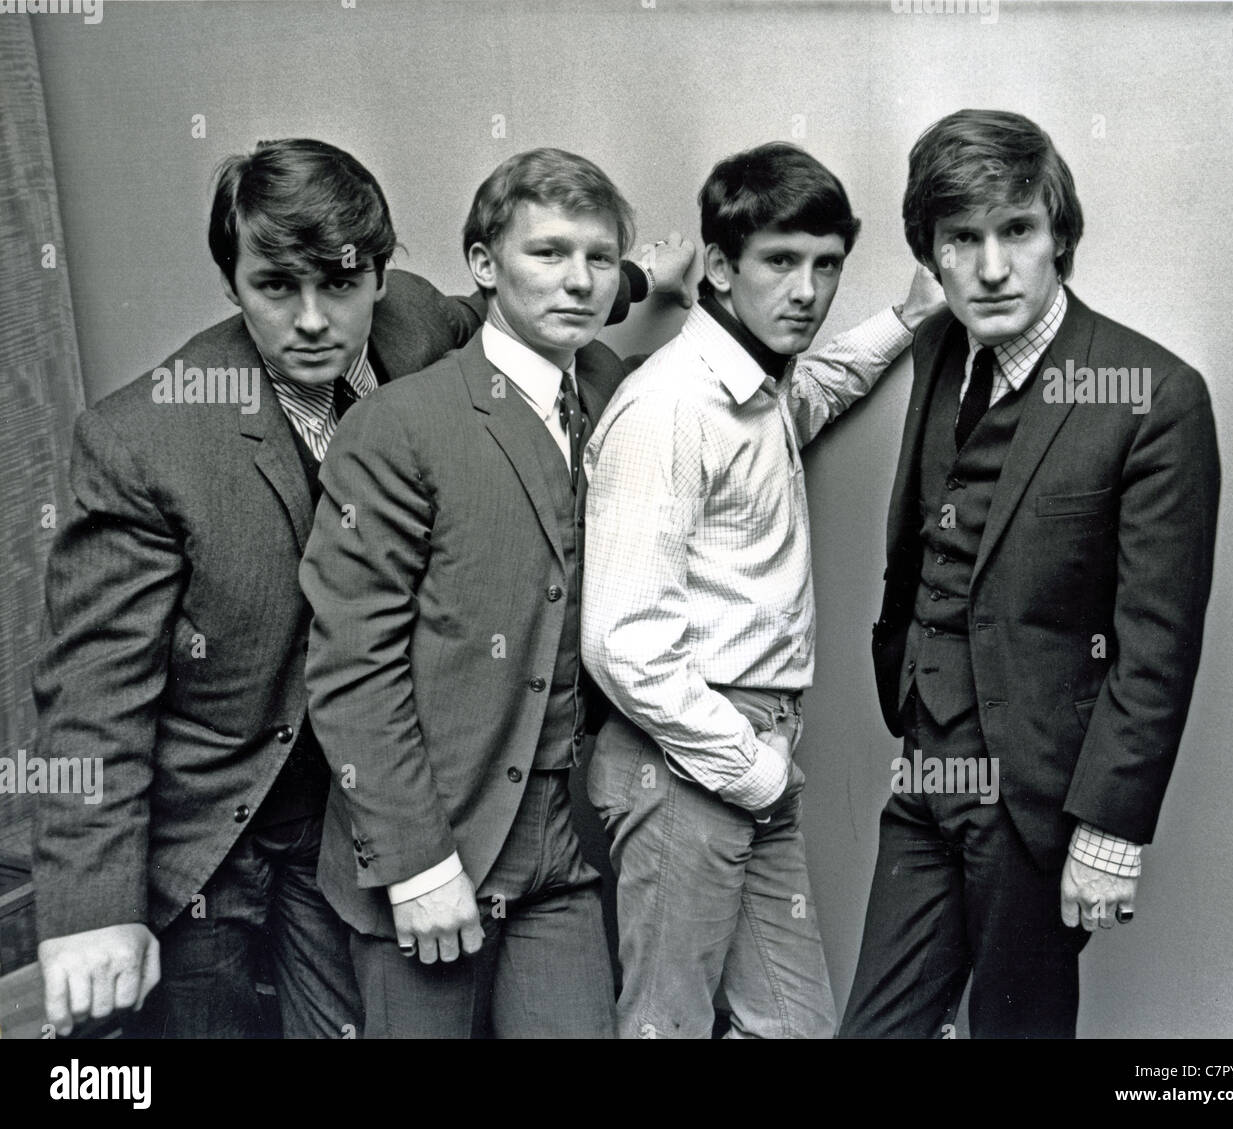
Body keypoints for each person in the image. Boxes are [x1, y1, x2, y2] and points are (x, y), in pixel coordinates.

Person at [32, 137, 689, 1038]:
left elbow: (519, 307)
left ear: (380, 275)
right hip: (209, 827)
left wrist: (642, 281)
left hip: (352, 813)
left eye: (340, 285)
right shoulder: (143, 440)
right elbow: (92, 698)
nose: (313, 320)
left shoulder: (416, 326)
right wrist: (89, 908)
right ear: (232, 282)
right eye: (275, 287)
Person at [839, 109, 1220, 1038]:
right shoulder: (936, 350)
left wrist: (1110, 829)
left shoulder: (1149, 394)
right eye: (961, 239)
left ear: (1060, 237)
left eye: (1018, 231)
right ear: (931, 253)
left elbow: (1156, 645)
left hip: (1038, 796)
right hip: (931, 765)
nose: (993, 266)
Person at [580, 141, 945, 1039]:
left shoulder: (756, 388)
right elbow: (622, 642)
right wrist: (755, 768)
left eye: (826, 266)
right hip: (687, 756)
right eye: (780, 262)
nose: (808, 292)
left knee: (793, 1027)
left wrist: (904, 318)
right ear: (717, 266)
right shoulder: (669, 408)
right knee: (664, 1026)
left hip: (751, 757)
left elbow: (813, 389)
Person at [298, 147, 664, 1038]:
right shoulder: (398, 426)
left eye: (599, 258)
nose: (577, 280)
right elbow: (352, 666)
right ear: (482, 264)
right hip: (429, 845)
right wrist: (417, 866)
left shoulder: (619, 390)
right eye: (546, 254)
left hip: (560, 843)